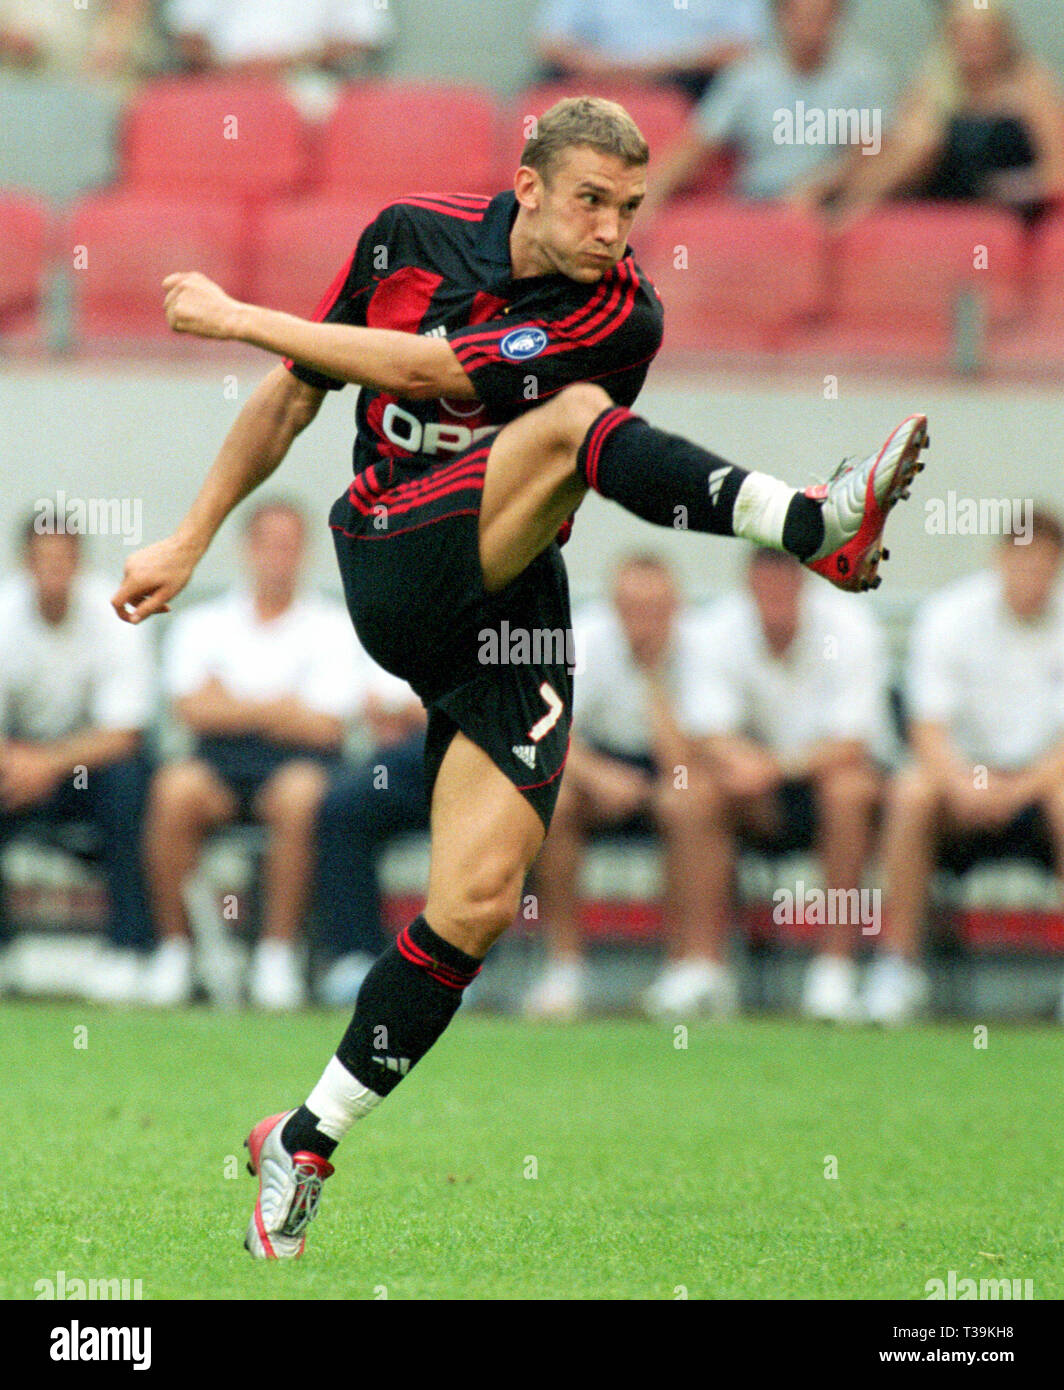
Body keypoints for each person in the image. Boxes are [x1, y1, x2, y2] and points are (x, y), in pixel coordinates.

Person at [111, 96, 929, 1259]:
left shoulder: (621, 310)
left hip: (512, 605)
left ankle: (305, 1136)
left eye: (631, 207)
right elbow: (300, 389)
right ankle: (808, 524)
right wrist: (190, 537)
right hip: (395, 551)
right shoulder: (408, 235)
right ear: (529, 186)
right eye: (591, 200)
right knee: (569, 422)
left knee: (477, 901)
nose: (612, 230)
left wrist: (237, 312)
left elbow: (425, 364)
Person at [141, 499, 363, 1010]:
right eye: (268, 543)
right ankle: (174, 951)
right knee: (173, 789)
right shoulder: (203, 622)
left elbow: (328, 724)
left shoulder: (333, 625)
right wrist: (284, 705)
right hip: (218, 767)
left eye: (289, 544)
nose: (277, 556)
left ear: (305, 551)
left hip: (297, 767)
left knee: (302, 795)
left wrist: (233, 700)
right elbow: (193, 711)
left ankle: (275, 955)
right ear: (247, 548)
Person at [869, 511, 1064, 1025]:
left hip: (1043, 786)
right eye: (1021, 564)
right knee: (910, 793)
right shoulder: (949, 614)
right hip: (959, 783)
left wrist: (1020, 789)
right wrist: (965, 785)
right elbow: (927, 728)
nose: (1031, 578)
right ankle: (898, 968)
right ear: (1000, 558)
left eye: (1044, 567)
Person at [682, 547, 892, 1022]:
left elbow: (854, 743)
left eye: (786, 586)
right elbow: (706, 733)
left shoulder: (852, 628)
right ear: (748, 586)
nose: (775, 598)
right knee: (692, 794)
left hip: (827, 785)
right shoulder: (715, 629)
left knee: (849, 791)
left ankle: (834, 971)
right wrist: (744, 765)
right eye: (764, 587)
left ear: (806, 585)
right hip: (751, 791)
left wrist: (772, 767)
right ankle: (702, 968)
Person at [525, 553, 736, 1020]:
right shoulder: (582, 636)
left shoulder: (701, 646)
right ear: (613, 604)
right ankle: (565, 967)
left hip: (670, 767)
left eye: (655, 609)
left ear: (675, 606)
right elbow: (548, 730)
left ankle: (693, 967)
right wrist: (599, 776)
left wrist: (651, 675)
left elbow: (687, 758)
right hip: (589, 762)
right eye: (631, 608)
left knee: (696, 802)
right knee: (551, 804)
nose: (642, 621)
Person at [0, 521, 156, 1002]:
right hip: (14, 768)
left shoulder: (116, 613)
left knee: (133, 782)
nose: (54, 572)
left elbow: (126, 731)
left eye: (64, 560)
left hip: (90, 773)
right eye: (43, 561)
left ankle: (128, 950)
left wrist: (45, 763)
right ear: (25, 565)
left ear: (80, 563)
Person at [641, 0, 893, 214]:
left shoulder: (864, 76)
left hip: (830, 207)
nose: (812, 30)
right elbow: (697, 143)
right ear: (781, 17)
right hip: (755, 205)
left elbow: (870, 152)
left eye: (822, 18)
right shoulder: (747, 76)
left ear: (838, 19)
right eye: (804, 18)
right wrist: (649, 195)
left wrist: (820, 188)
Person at [830, 0, 1064, 226]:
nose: (972, 41)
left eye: (982, 32)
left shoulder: (1028, 83)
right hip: (940, 202)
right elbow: (900, 143)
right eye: (962, 31)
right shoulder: (937, 85)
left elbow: (1056, 175)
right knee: (902, 140)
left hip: (1004, 208)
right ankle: (839, 209)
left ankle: (841, 211)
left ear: (1003, 36)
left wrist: (1009, 188)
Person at [314, 665, 428, 1008]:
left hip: (478, 761)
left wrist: (409, 714)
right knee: (344, 806)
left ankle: (459, 961)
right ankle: (357, 957)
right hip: (391, 767)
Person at [533, 0, 769, 103]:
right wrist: (606, 68)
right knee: (545, 85)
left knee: (739, 83)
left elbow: (742, 48)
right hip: (597, 75)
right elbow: (551, 43)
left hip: (689, 80)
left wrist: (669, 63)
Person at [165, 0, 394, 80]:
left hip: (308, 80)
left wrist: (294, 62)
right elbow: (187, 32)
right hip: (223, 77)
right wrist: (229, 69)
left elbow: (364, 36)